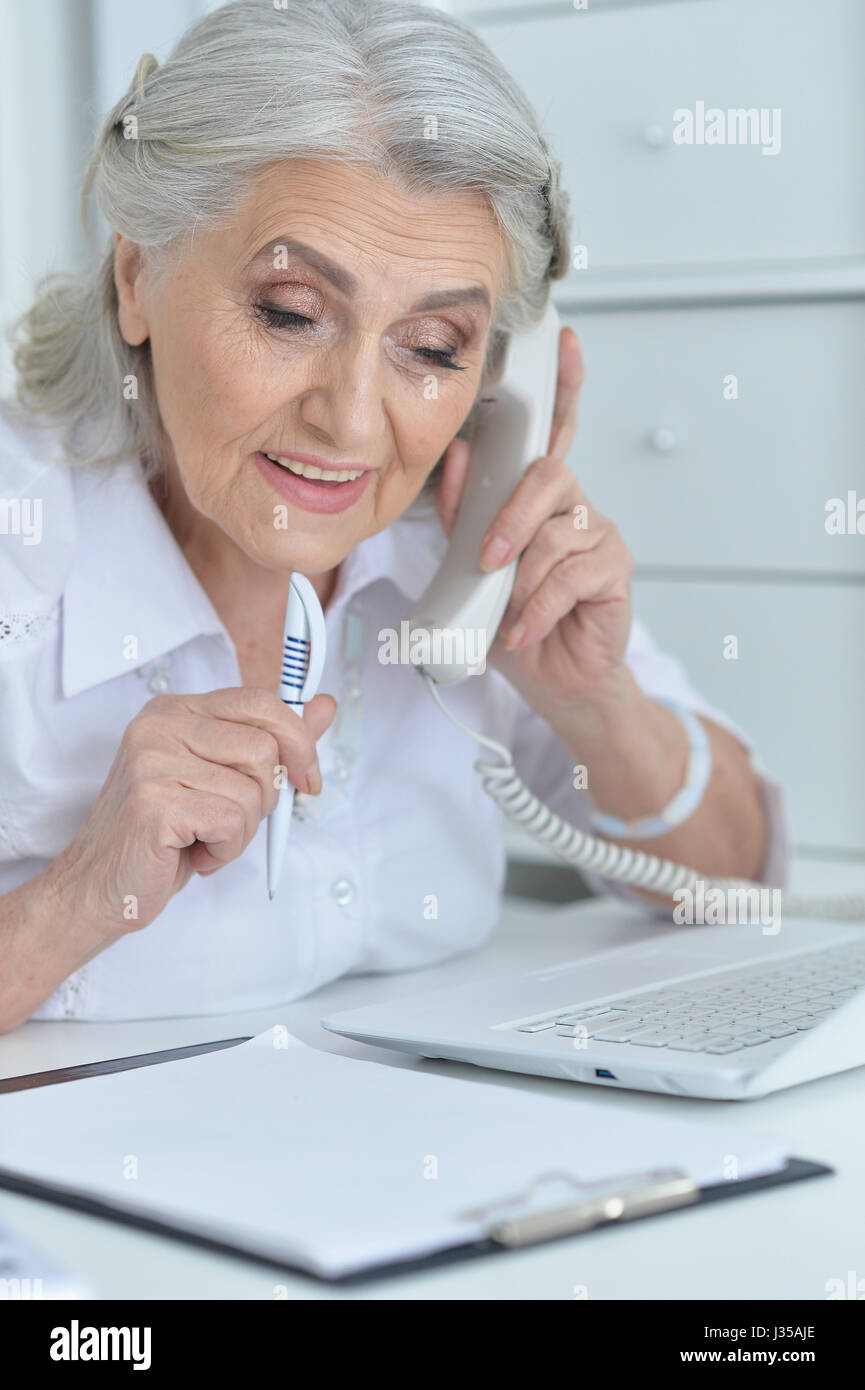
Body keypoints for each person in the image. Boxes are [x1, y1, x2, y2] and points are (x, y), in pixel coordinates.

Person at [0, 0, 785, 1030]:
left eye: (432, 347)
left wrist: (595, 703)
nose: (354, 419)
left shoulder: (459, 543)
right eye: (290, 313)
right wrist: (77, 900)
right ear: (138, 274)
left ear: (508, 375)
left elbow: (740, 888)